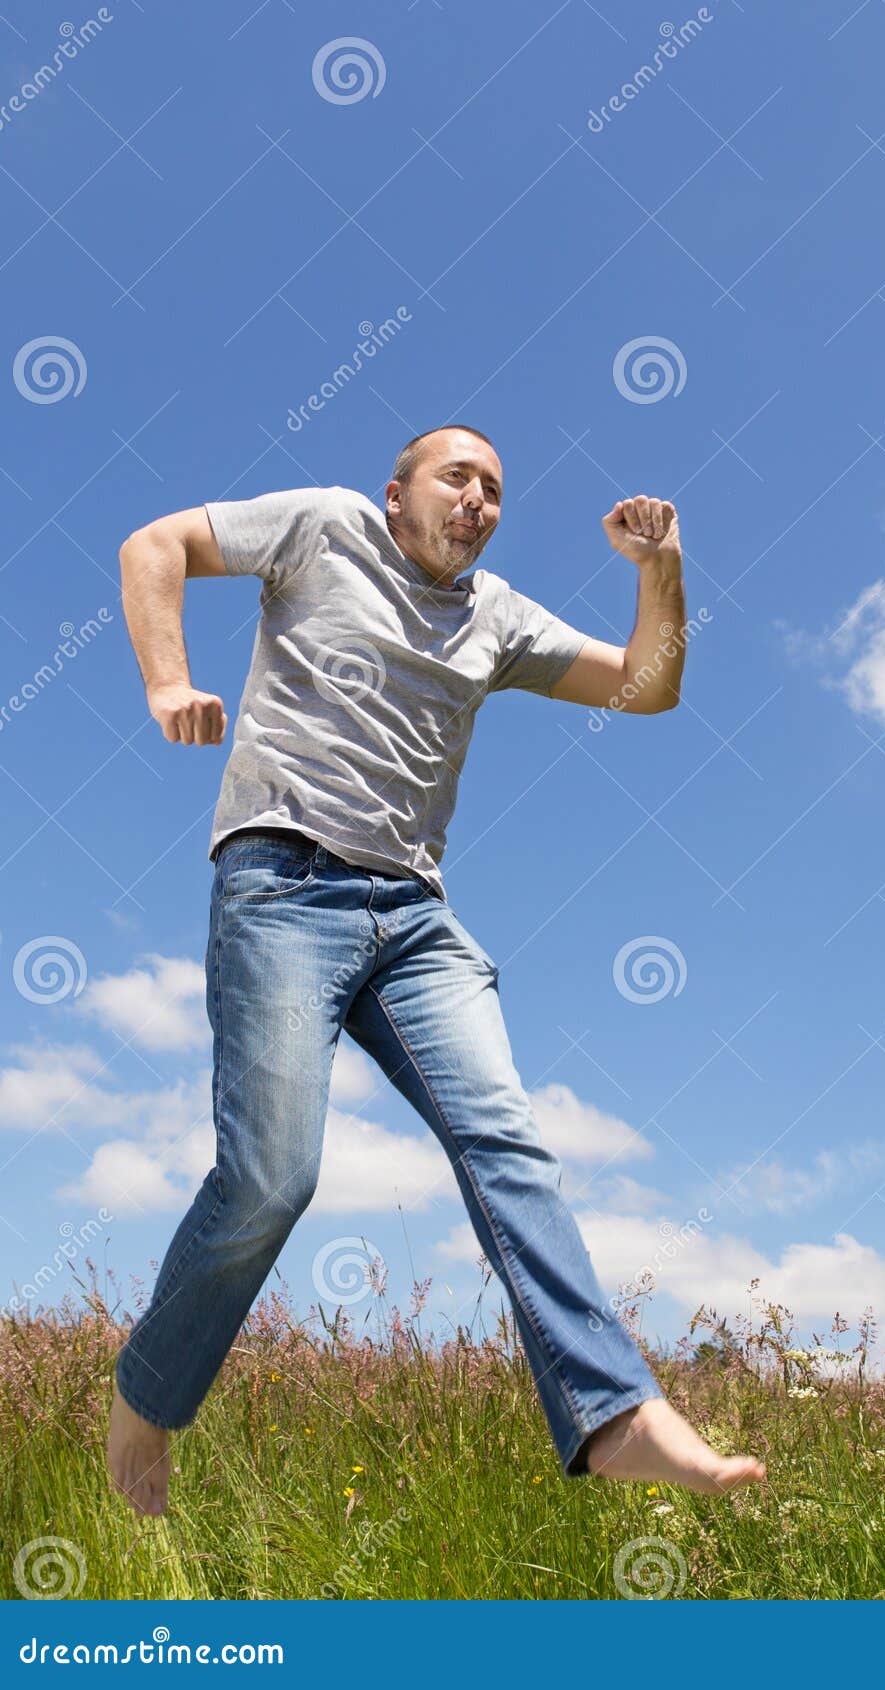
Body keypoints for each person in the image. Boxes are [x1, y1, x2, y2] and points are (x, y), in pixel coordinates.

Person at [105, 423, 766, 1516]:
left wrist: (662, 568)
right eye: (457, 477)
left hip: (413, 918)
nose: (477, 499)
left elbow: (647, 685)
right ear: (397, 491)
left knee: (507, 1140)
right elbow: (153, 544)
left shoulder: (494, 614)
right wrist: (168, 682)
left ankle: (614, 1412)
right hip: (283, 884)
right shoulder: (322, 525)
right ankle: (144, 1406)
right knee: (273, 1178)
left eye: (496, 490)